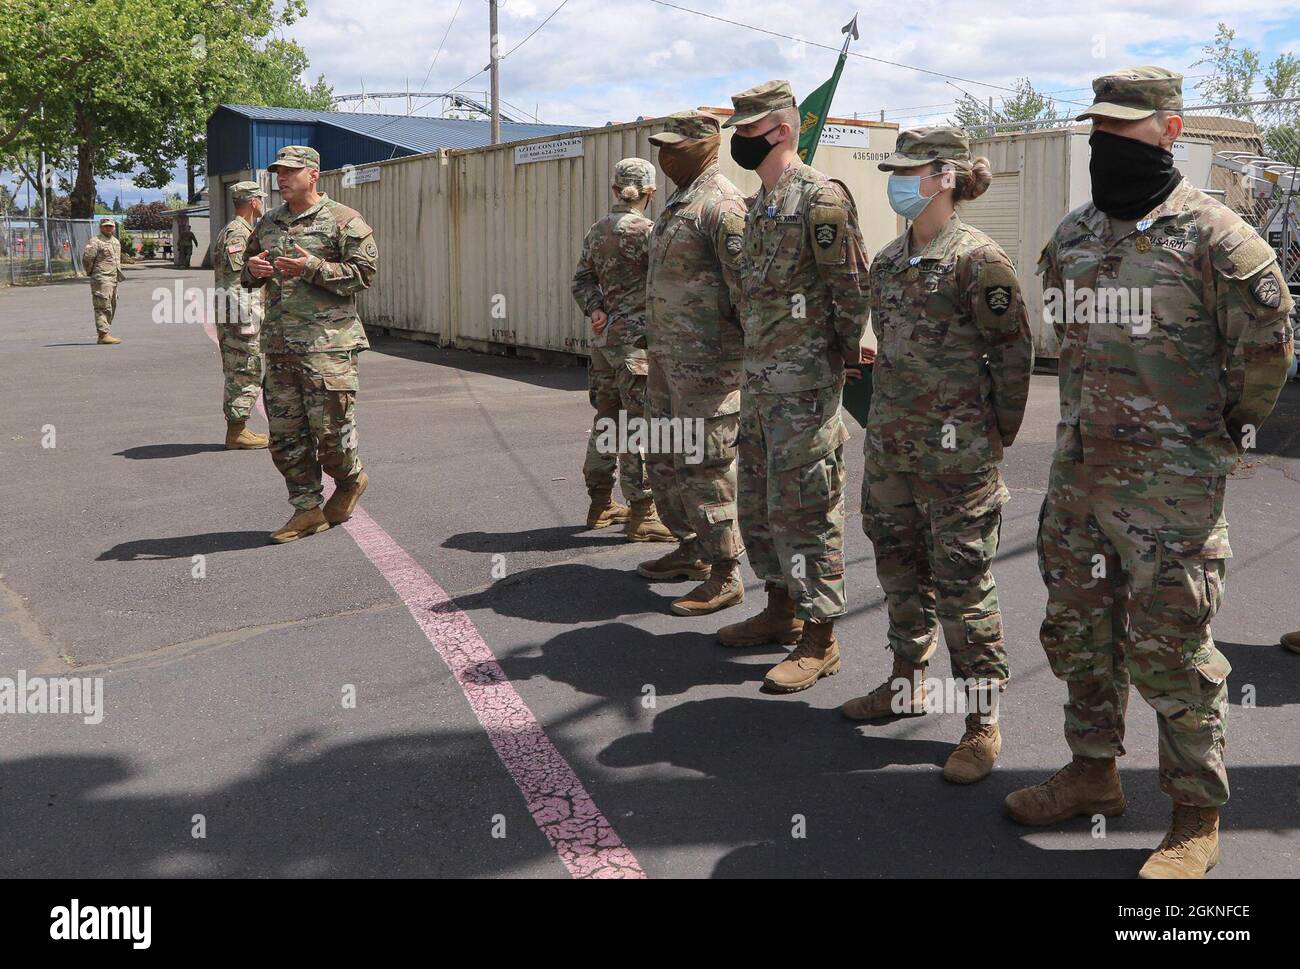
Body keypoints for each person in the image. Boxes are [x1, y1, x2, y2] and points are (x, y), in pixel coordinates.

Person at [1005, 67, 1294, 878]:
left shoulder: (1220, 240)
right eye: (1098, 127)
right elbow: (1069, 349)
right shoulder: (1071, 237)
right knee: (1078, 636)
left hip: (1172, 494)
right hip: (1078, 481)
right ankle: (1093, 774)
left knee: (1173, 653)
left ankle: (1194, 816)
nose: (1105, 142)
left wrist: (1207, 439)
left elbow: (1266, 361)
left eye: (1123, 128)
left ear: (1170, 131)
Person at [839, 127, 1033, 782]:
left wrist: (993, 438)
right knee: (898, 568)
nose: (898, 179)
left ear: (944, 176)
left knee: (962, 584)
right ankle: (906, 682)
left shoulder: (980, 260)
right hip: (893, 448)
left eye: (910, 170)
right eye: (893, 169)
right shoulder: (891, 262)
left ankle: (982, 723)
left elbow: (1013, 354)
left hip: (959, 460)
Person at [717, 81, 870, 692]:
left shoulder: (820, 200)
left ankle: (819, 635)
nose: (738, 142)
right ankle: (780, 607)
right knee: (757, 504)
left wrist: (834, 360)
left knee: (807, 510)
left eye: (748, 132)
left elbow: (850, 289)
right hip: (758, 388)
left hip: (805, 391)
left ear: (782, 131)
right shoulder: (757, 207)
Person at [639, 110, 750, 617]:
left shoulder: (722, 206)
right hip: (666, 363)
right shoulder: (679, 204)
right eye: (660, 147)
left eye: (673, 147)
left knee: (705, 467)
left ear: (704, 146)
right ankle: (691, 548)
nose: (664, 157)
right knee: (664, 460)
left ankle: (726, 572)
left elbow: (747, 295)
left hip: (709, 372)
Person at [241, 145, 379, 544]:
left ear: (313, 174)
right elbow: (249, 269)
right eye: (278, 172)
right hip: (280, 345)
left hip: (328, 347)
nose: (281, 178)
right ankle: (306, 508)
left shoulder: (343, 220)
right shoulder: (268, 222)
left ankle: (350, 480)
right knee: (285, 436)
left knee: (331, 434)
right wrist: (252, 270)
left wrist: (312, 268)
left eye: (290, 172)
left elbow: (363, 274)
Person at [571, 158, 673, 542]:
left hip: (604, 345)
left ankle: (600, 504)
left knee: (607, 422)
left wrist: (596, 308)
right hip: (638, 349)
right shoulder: (652, 232)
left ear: (616, 190)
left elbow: (581, 280)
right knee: (638, 429)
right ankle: (643, 514)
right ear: (649, 193)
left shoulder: (597, 231)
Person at [212, 181, 270, 450]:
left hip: (235, 312)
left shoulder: (233, 230)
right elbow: (238, 281)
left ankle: (238, 428)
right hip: (240, 313)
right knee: (245, 370)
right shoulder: (239, 234)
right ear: (254, 202)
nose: (263, 203)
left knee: (240, 369)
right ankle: (237, 431)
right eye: (261, 199)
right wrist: (247, 320)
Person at [82, 218, 124, 345]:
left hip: (113, 277)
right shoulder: (95, 241)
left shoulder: (115, 241)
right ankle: (103, 335)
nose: (108, 228)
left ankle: (106, 331)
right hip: (101, 278)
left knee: (112, 305)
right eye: (106, 226)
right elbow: (87, 259)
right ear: (101, 227)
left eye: (111, 226)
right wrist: (92, 273)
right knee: (102, 306)